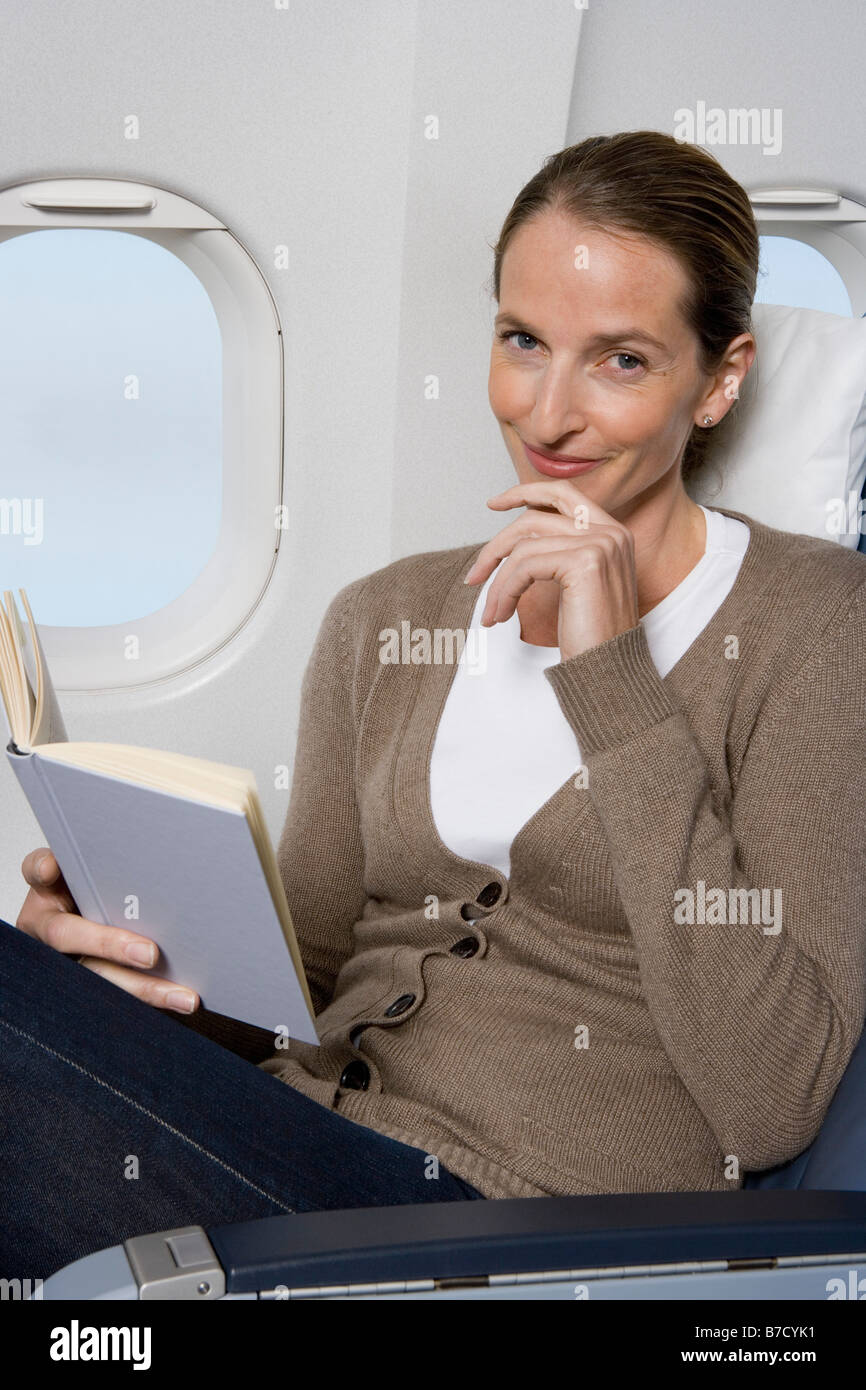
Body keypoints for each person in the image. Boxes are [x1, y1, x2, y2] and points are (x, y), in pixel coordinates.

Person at [3, 130, 865, 1282]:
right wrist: (124, 979)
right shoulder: (384, 618)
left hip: (498, 1233)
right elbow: (296, 998)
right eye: (521, 341)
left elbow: (772, 1099)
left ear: (719, 379)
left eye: (618, 361)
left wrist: (611, 678)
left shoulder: (819, 626)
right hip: (297, 1154)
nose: (545, 413)